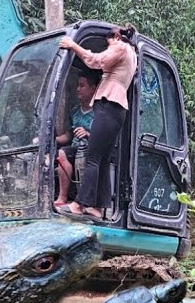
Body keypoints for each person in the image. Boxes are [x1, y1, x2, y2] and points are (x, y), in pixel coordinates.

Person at [57, 25, 138, 219]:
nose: (107, 45)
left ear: (116, 36)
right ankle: (98, 207)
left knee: (92, 157)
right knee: (102, 159)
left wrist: (73, 45)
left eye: (108, 41)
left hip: (108, 104)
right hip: (117, 109)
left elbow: (95, 61)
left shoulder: (119, 47)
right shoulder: (132, 54)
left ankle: (79, 204)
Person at [54, 70, 99, 210]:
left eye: (82, 85)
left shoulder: (99, 112)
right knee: (62, 153)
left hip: (91, 149)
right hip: (75, 149)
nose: (78, 89)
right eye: (77, 86)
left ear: (93, 89)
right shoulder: (74, 111)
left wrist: (87, 134)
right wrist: (51, 139)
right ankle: (62, 197)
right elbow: (68, 136)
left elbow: (104, 138)